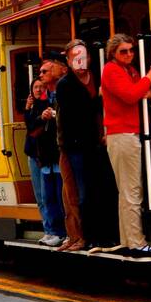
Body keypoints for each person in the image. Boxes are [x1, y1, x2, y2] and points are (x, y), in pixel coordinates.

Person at [99, 33, 151, 257]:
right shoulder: (111, 70)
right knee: (131, 191)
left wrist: (141, 88)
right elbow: (131, 95)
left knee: (127, 191)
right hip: (123, 135)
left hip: (127, 134)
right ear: (113, 54)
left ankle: (128, 240)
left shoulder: (129, 70)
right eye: (123, 51)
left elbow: (140, 92)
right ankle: (137, 243)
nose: (129, 54)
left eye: (131, 50)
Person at [54, 40, 100, 253]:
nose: (81, 62)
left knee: (90, 191)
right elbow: (74, 116)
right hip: (72, 146)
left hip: (94, 144)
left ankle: (85, 236)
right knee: (74, 192)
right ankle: (77, 236)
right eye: (76, 58)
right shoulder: (65, 84)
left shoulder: (97, 78)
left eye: (84, 57)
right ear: (69, 60)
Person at [24, 70, 66, 246]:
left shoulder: (47, 104)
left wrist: (41, 117)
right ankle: (49, 230)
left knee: (54, 195)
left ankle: (58, 231)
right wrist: (30, 110)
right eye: (36, 87)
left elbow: (42, 127)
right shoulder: (35, 107)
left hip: (48, 156)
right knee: (42, 197)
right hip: (36, 156)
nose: (39, 89)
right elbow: (30, 126)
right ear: (31, 91)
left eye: (41, 86)